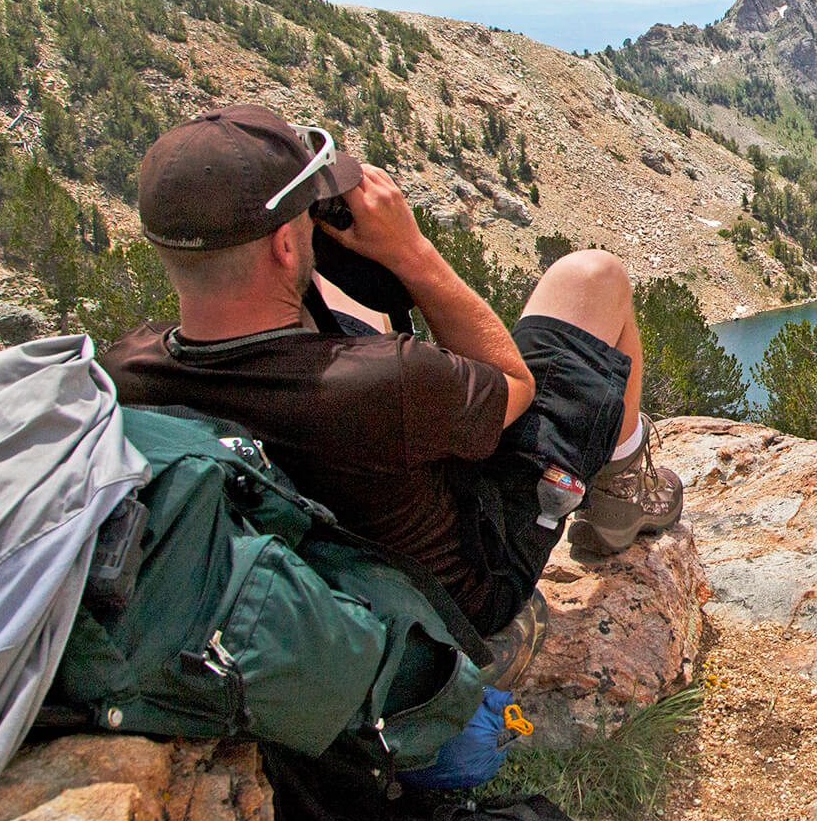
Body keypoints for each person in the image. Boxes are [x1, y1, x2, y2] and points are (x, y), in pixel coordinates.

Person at [104, 104, 680, 687]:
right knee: (591, 276)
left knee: (338, 300)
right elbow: (516, 387)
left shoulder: (126, 371)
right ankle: (619, 496)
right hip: (461, 594)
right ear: (283, 245)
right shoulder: (386, 381)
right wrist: (410, 254)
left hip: (320, 559)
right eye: (309, 218)